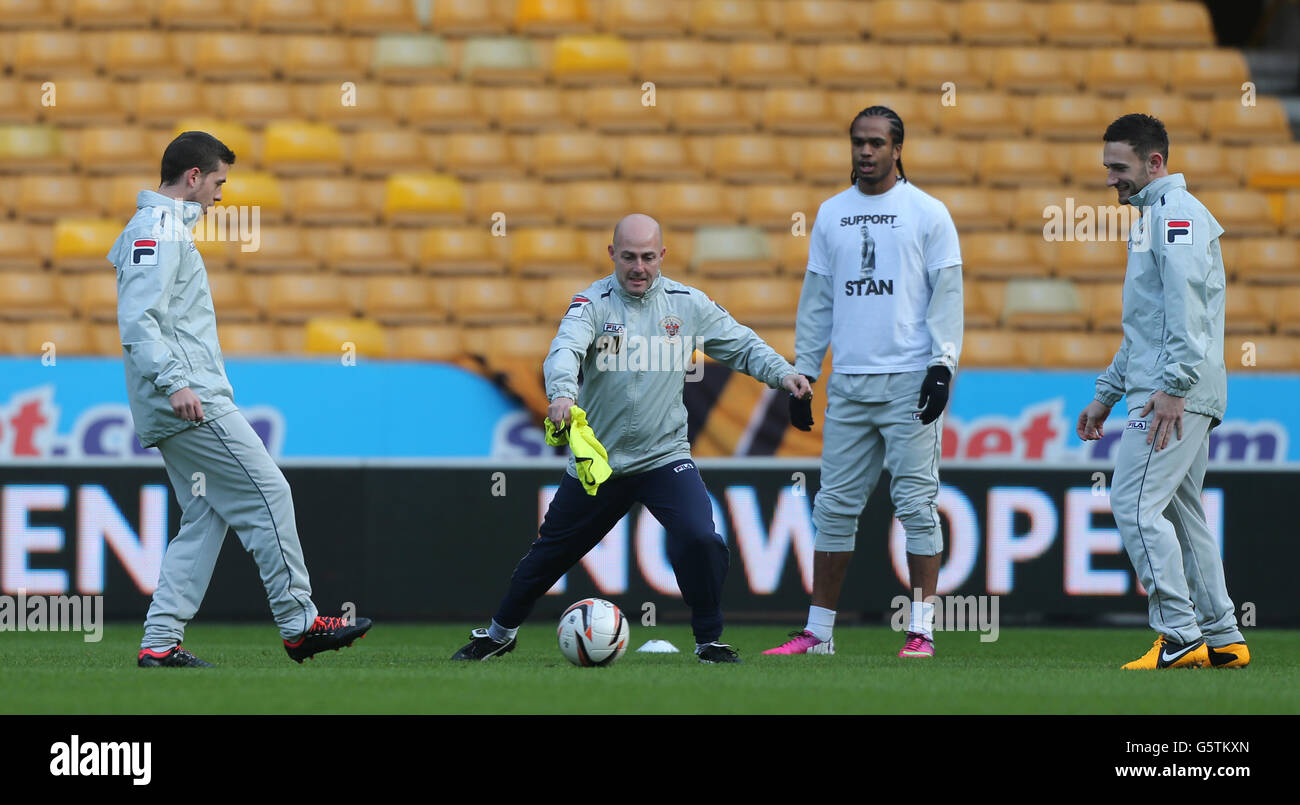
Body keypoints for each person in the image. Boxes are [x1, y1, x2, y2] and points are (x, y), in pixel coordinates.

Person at [452, 214, 812, 664]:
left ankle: (709, 641)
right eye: (628, 257)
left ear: (662, 255)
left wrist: (785, 375)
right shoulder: (591, 304)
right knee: (548, 555)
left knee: (701, 538)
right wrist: (563, 392)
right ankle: (500, 633)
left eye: (647, 257)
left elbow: (741, 343)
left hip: (665, 458)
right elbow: (564, 349)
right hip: (600, 463)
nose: (638, 267)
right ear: (612, 255)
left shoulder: (687, 304)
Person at [109, 131, 371, 667]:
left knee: (205, 517)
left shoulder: (160, 229)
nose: (221, 196)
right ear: (193, 178)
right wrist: (176, 383)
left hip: (177, 396)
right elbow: (140, 323)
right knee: (270, 492)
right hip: (188, 397)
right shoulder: (159, 232)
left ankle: (160, 643)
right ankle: (299, 623)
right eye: (218, 182)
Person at [763, 106, 964, 660]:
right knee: (833, 508)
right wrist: (804, 372)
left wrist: (942, 365)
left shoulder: (928, 213)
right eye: (858, 142)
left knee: (917, 505)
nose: (866, 152)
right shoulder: (830, 214)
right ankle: (819, 633)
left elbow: (947, 295)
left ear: (898, 149)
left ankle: (921, 630)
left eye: (876, 143)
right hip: (849, 383)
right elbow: (818, 300)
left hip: (907, 380)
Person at [1077, 114, 1247, 670]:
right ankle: (1223, 635)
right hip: (1173, 389)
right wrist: (1106, 392)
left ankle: (1179, 635)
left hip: (1170, 396)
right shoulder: (1158, 218)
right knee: (1181, 513)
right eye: (1107, 167)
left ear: (1155, 163)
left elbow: (1187, 310)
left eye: (1118, 167)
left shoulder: (1174, 216)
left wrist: (1174, 388)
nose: (1110, 180)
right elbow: (1149, 325)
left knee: (1133, 502)